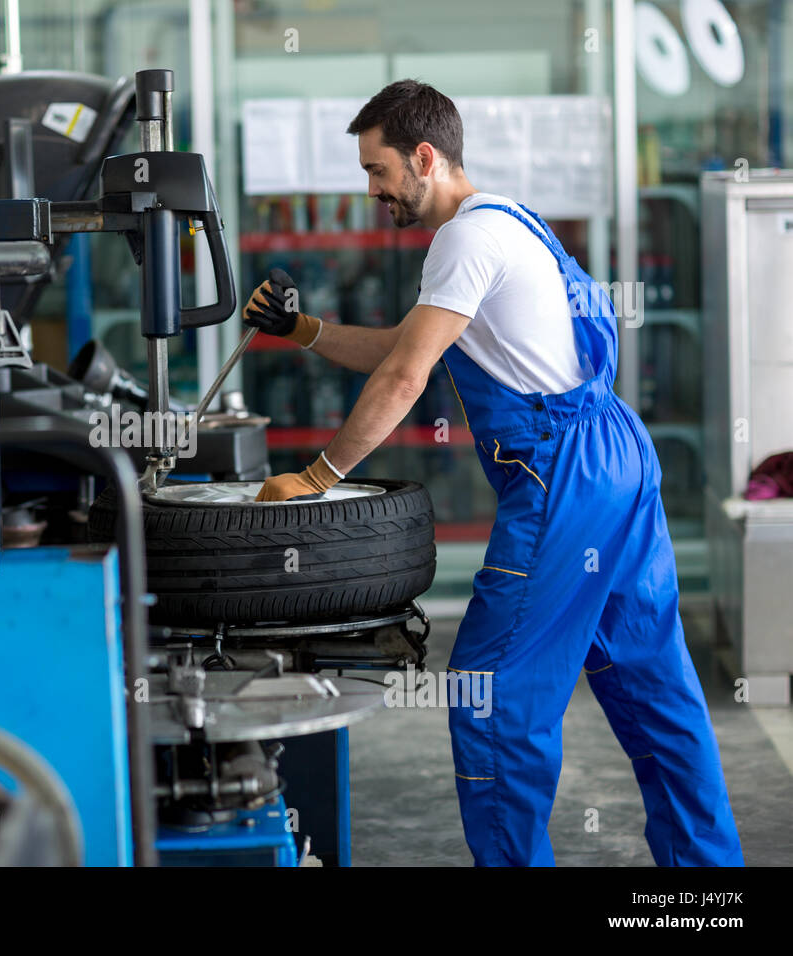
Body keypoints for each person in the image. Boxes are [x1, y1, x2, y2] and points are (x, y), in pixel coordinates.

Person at [242, 79, 744, 866]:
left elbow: (406, 380)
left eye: (378, 172)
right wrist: (301, 330)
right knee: (655, 689)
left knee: (491, 700)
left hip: (563, 477)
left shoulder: (463, 241)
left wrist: (317, 476)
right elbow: (404, 348)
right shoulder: (510, 223)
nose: (372, 191)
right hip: (616, 457)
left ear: (425, 156)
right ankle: (709, 887)